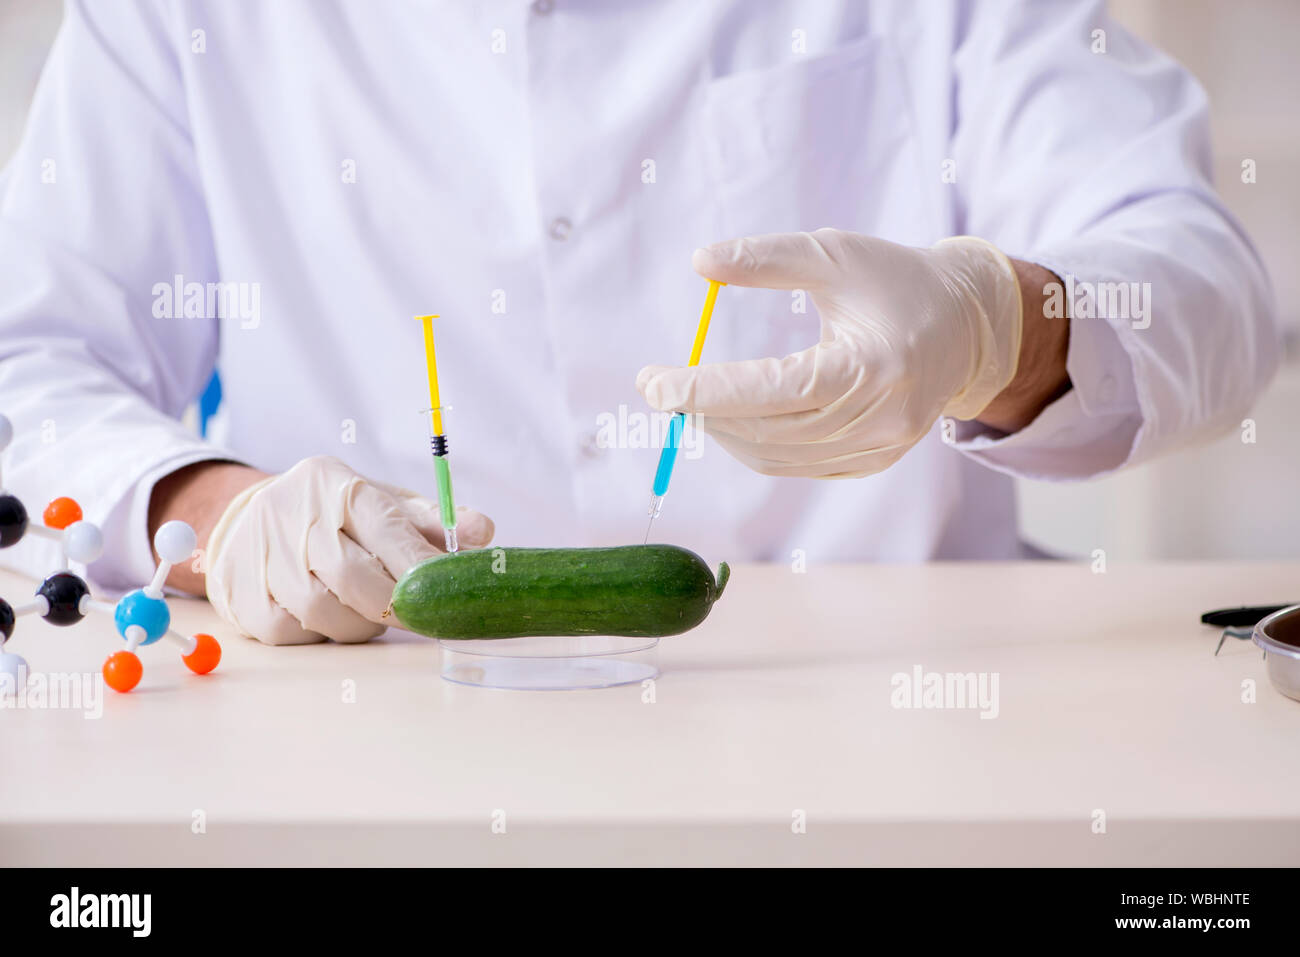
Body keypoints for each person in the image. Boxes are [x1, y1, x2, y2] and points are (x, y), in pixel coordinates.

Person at [0, 0, 1276, 645]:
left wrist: (999, 326)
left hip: (900, 718)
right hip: (361, 702)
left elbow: (1201, 280)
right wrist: (224, 512)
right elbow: (31, 360)